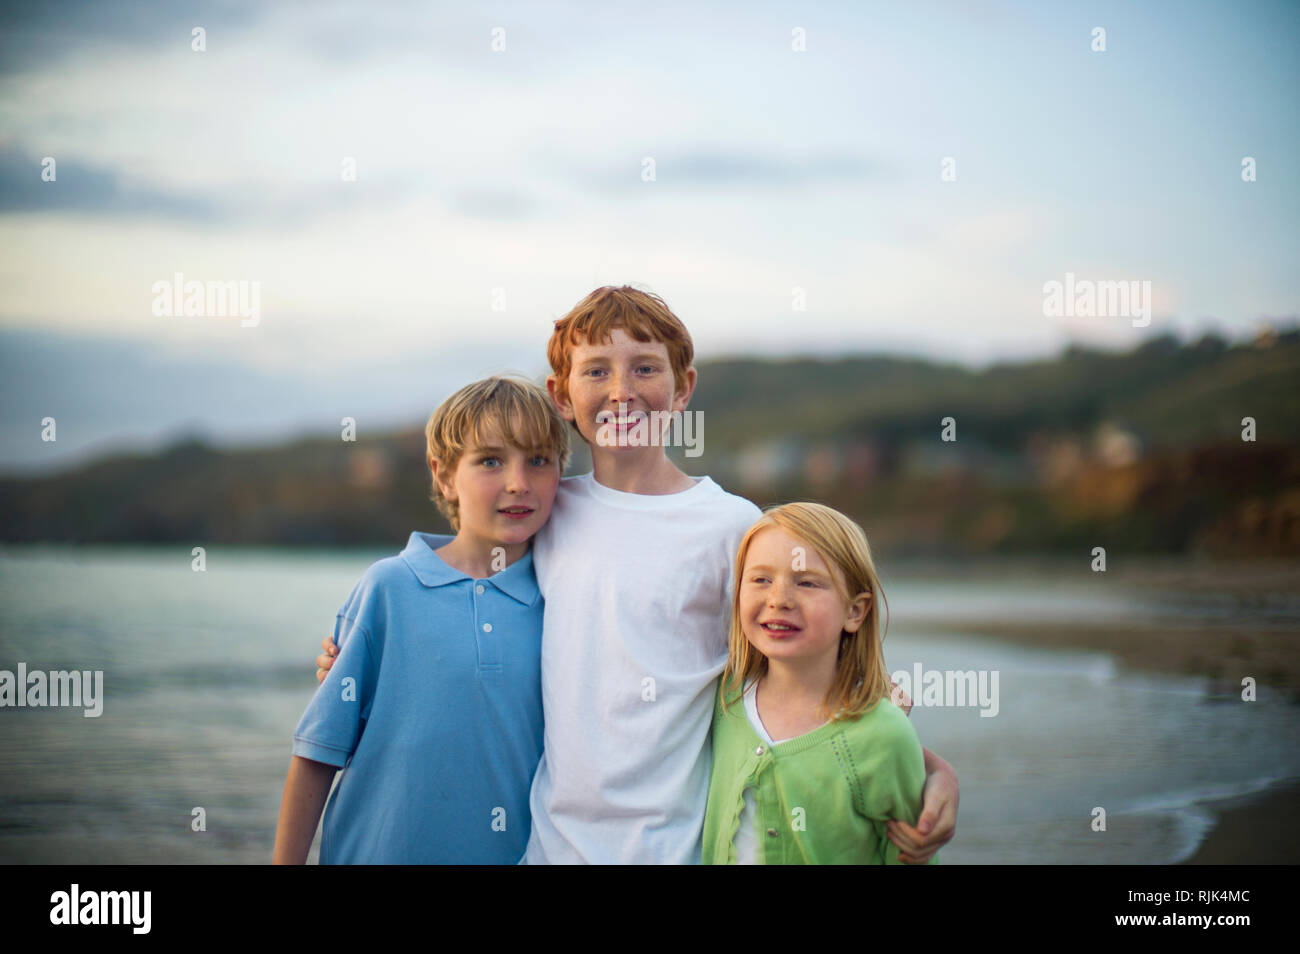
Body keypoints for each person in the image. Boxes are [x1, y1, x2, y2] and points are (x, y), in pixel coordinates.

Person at [319, 286, 959, 863]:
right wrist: (363, 662)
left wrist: (932, 770)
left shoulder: (732, 527)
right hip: (550, 845)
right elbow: (464, 596)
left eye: (645, 369)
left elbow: (805, 665)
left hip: (678, 844)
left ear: (683, 389)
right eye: (596, 370)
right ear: (562, 396)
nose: (621, 390)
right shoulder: (546, 509)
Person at [274, 375, 569, 863]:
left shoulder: (562, 600)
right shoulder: (388, 589)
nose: (518, 482)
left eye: (538, 460)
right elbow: (315, 754)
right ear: (444, 475)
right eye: (490, 461)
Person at [703, 502, 937, 864]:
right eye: (761, 579)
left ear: (854, 611)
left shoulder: (885, 734)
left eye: (807, 582)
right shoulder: (724, 700)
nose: (779, 599)